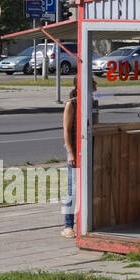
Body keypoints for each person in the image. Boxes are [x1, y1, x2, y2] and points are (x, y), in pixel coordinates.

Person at [61, 85, 77, 238]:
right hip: (76, 152)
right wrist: (70, 152)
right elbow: (66, 129)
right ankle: (67, 225)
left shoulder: (92, 103)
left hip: (88, 150)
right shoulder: (71, 104)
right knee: (73, 190)